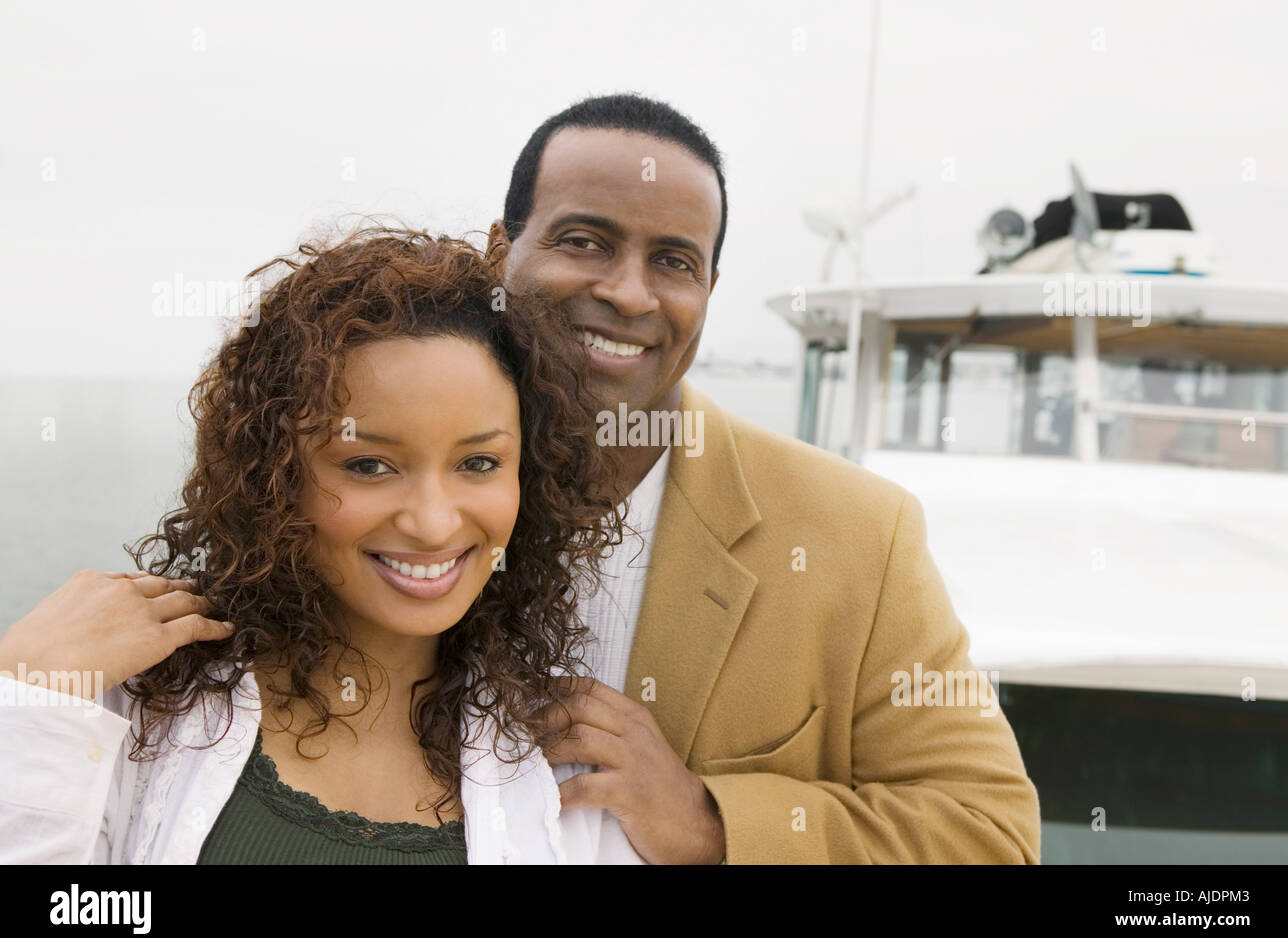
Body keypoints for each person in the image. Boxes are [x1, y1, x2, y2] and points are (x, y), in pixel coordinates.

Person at [489, 93, 1042, 864]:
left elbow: (989, 838)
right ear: (498, 253)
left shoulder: (859, 536)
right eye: (584, 241)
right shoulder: (383, 487)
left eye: (674, 262)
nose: (628, 293)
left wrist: (715, 826)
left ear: (709, 292)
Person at [0, 225, 645, 864]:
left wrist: (708, 826)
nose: (432, 523)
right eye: (368, 465)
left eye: (478, 464)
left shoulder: (570, 771)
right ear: (275, 476)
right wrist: (25, 696)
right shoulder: (129, 706)